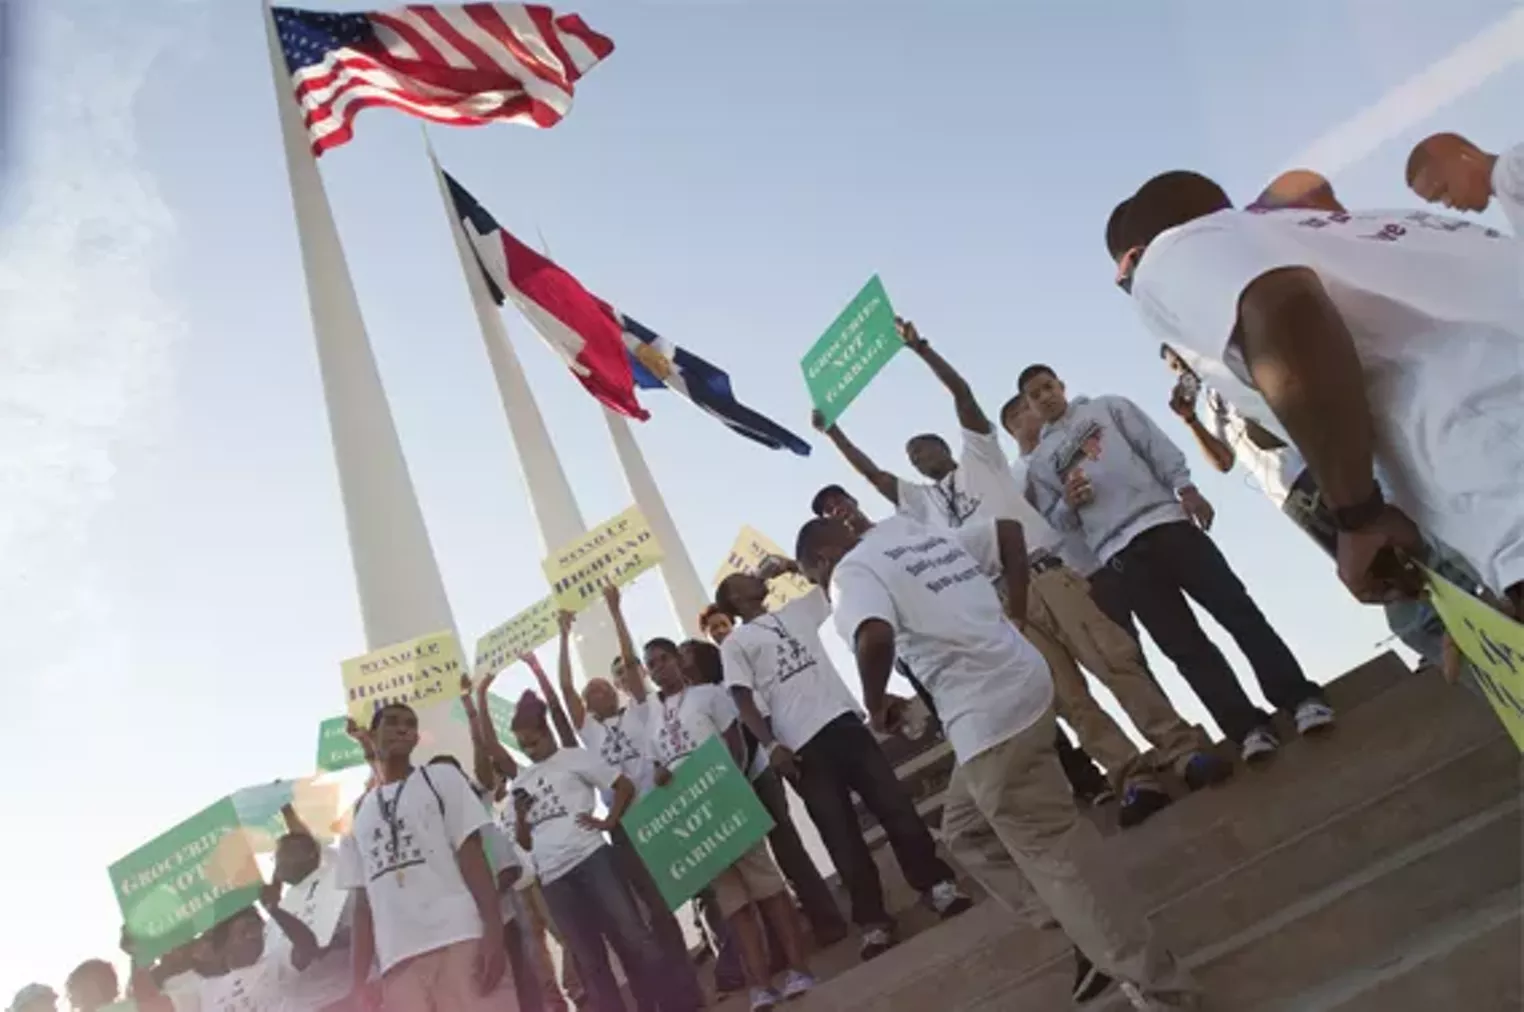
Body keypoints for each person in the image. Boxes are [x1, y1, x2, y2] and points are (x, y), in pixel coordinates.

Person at [812, 319, 1227, 820]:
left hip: (1045, 575)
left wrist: (922, 350)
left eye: (924, 447)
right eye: (912, 457)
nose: (919, 458)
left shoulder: (980, 460)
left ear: (945, 445)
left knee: (1115, 663)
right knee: (1066, 696)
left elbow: (961, 394)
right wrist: (833, 431)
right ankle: (1132, 778)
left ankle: (1181, 750)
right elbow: (872, 475)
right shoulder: (920, 506)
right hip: (1000, 606)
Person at [794, 511, 1200, 1010]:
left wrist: (875, 705)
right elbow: (1008, 532)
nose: (823, 586)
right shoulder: (907, 535)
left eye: (816, 579)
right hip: (1020, 691)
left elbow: (873, 635)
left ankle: (1161, 987)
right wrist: (1018, 617)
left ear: (822, 559)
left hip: (990, 722)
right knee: (966, 830)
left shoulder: (850, 572)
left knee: (1064, 862)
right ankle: (1077, 927)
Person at [1112, 169, 1524, 617]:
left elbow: (1287, 310)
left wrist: (1357, 514)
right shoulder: (1386, 226)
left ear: (1133, 259)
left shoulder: (1169, 254)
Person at [1020, 363, 1332, 761]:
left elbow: (1154, 446)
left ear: (1061, 385)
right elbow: (1055, 522)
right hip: (1120, 553)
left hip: (1166, 523)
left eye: (1048, 386)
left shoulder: (1108, 408)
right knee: (1184, 646)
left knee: (1237, 611)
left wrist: (1186, 488)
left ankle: (1300, 698)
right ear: (1029, 406)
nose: (1045, 396)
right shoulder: (1042, 462)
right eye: (1035, 395)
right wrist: (1069, 501)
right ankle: (1246, 728)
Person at [809, 482, 1120, 807]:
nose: (836, 508)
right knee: (972, 733)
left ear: (853, 499)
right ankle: (1042, 799)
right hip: (921, 663)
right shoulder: (848, 569)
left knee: (1024, 710)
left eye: (839, 500)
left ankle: (1084, 778)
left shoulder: (900, 528)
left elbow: (876, 633)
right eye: (827, 509)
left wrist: (1016, 614)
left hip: (965, 642)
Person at [642, 637, 817, 1011]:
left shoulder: (709, 696)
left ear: (677, 660)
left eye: (663, 660)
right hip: (695, 819)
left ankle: (799, 968)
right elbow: (659, 762)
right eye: (651, 665)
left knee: (768, 889)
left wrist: (730, 788)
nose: (658, 669)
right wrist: (659, 774)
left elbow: (735, 744)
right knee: (734, 905)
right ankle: (760, 985)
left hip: (726, 802)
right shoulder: (653, 717)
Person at [509, 692, 703, 1012]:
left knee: (632, 935)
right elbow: (526, 842)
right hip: (554, 878)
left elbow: (623, 785)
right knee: (588, 958)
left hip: (592, 859)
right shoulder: (524, 779)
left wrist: (609, 821)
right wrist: (520, 815)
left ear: (546, 733)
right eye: (523, 746)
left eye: (532, 742)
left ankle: (672, 1002)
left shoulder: (573, 758)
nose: (529, 752)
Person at [553, 588, 699, 995]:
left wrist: (616, 612)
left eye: (600, 687)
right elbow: (565, 690)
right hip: (626, 828)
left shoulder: (638, 710)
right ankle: (683, 990)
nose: (593, 693)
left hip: (664, 809)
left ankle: (730, 963)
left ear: (613, 691)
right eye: (588, 694)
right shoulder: (590, 732)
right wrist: (563, 636)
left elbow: (633, 664)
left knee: (701, 885)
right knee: (654, 911)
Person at [332, 701, 506, 1012]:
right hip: (397, 960)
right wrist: (358, 982)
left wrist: (493, 930)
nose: (403, 728)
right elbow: (362, 905)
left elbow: (472, 857)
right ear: (372, 735)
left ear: (416, 739)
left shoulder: (441, 779)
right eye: (393, 722)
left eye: (410, 724)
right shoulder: (356, 816)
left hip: (459, 937)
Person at [679, 635, 848, 947]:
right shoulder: (688, 702)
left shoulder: (728, 688)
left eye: (686, 654)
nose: (681, 660)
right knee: (753, 868)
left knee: (787, 849)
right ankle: (781, 942)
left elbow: (749, 730)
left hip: (757, 775)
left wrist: (737, 773)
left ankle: (826, 920)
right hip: (727, 787)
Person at [1407, 132, 1524, 232]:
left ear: (1464, 156)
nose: (1448, 204)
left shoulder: (1513, 168)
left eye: (1444, 190)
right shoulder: (1508, 186)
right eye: (1438, 200)